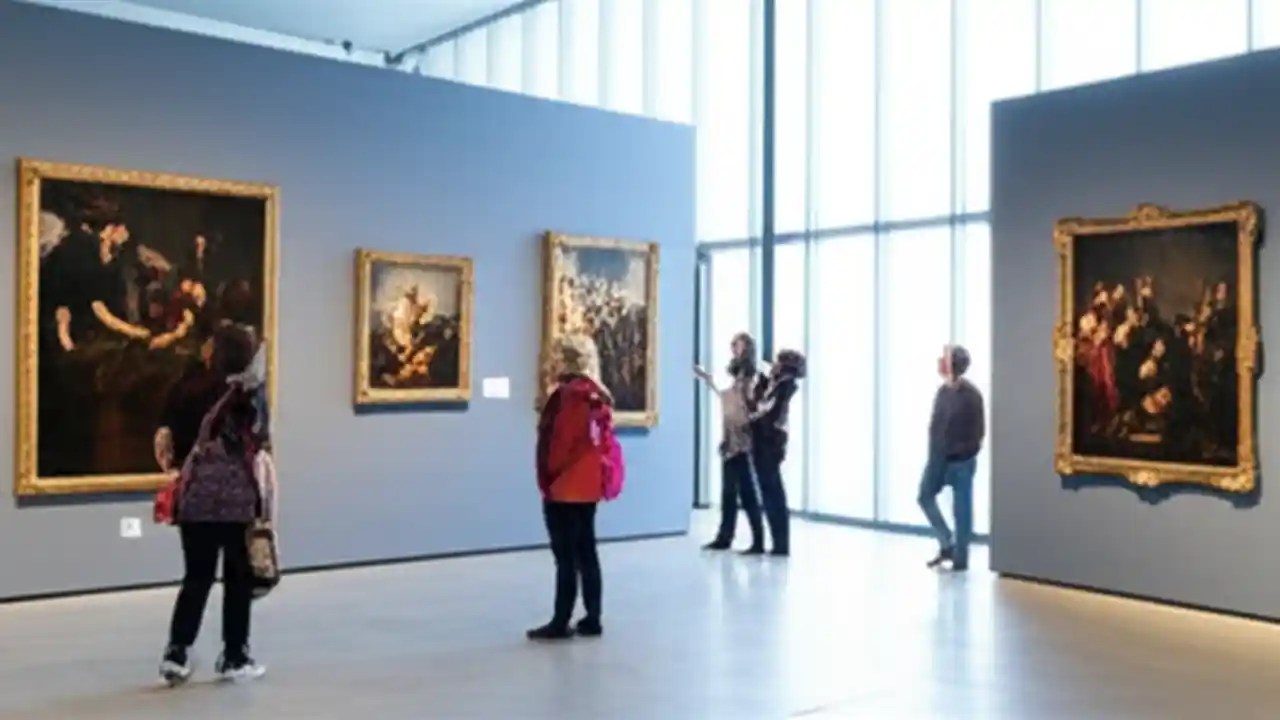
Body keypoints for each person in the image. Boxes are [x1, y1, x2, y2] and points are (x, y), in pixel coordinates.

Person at [156, 324, 269, 685]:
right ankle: (235, 655)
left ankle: (177, 651)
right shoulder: (249, 395)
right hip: (237, 500)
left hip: (197, 498)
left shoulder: (186, 388)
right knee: (238, 579)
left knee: (197, 577)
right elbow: (261, 443)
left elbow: (168, 442)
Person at [528, 334, 614, 641]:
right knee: (587, 552)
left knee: (565, 557)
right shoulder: (596, 394)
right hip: (588, 484)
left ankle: (560, 620)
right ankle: (592, 617)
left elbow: (560, 443)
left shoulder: (567, 395)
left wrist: (549, 478)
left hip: (565, 485)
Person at [696, 332, 765, 554]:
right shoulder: (739, 378)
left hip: (741, 441)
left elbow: (746, 407)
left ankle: (756, 540)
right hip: (732, 440)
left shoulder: (749, 377)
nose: (734, 348)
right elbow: (728, 401)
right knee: (729, 492)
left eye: (738, 344)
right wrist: (707, 379)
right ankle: (725, 537)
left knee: (745, 492)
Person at [919, 345, 985, 572]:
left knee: (962, 511)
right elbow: (936, 425)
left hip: (961, 462)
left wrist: (962, 452)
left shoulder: (972, 396)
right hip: (938, 459)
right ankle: (947, 542)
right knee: (924, 496)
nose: (940, 361)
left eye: (944, 359)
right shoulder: (943, 392)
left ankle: (960, 558)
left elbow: (978, 431)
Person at [750, 349, 805, 557]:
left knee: (773, 493)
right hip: (765, 442)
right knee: (770, 492)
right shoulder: (775, 385)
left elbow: (767, 412)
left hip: (770, 444)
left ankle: (781, 544)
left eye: (778, 362)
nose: (773, 365)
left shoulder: (784, 387)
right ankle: (778, 543)